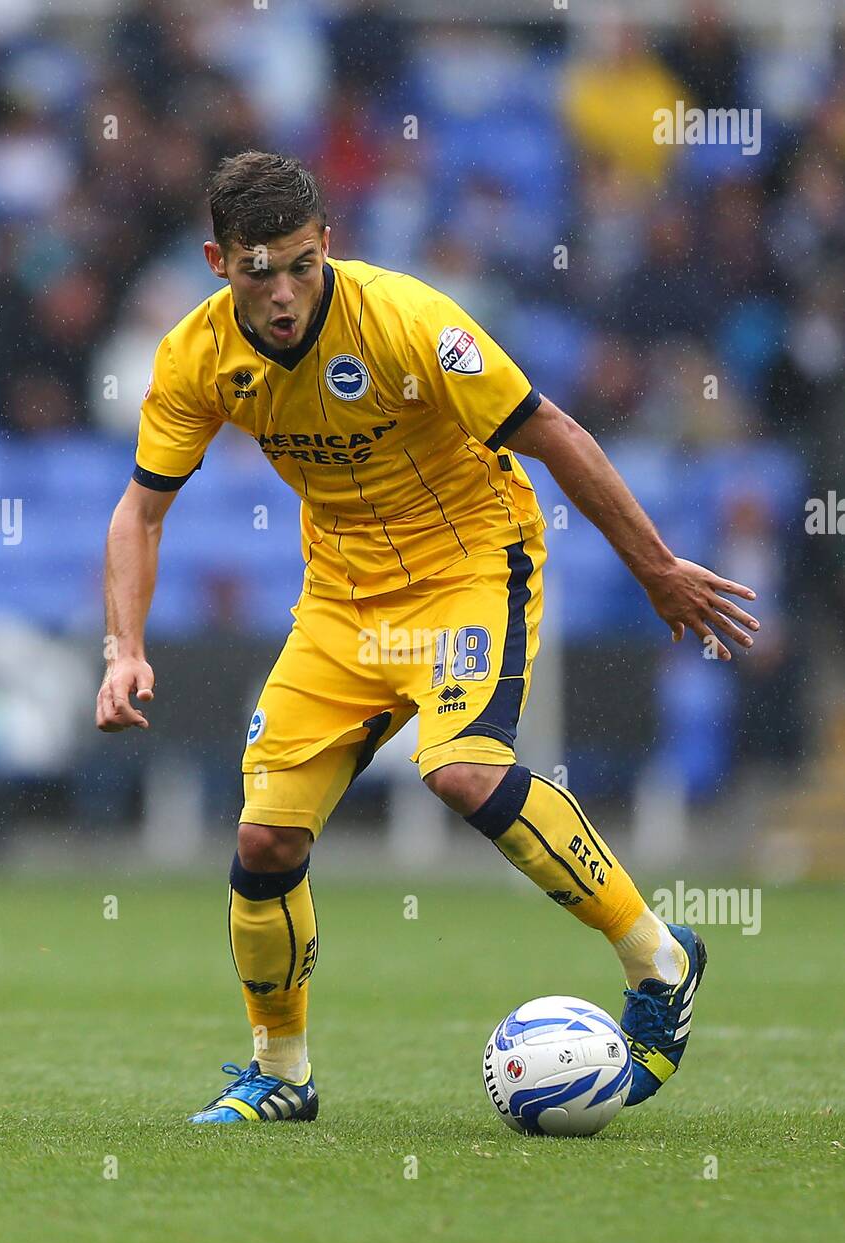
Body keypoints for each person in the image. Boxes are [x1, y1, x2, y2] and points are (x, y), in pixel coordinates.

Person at [96, 151, 759, 1124]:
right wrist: (124, 648)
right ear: (215, 262)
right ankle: (281, 1070)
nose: (281, 295)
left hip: (470, 566)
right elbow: (138, 513)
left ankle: (658, 957)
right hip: (341, 599)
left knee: (460, 769)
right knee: (265, 836)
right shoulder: (195, 357)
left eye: (299, 266)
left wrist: (655, 566)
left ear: (328, 245)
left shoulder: (410, 322)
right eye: (256, 272)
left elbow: (556, 432)